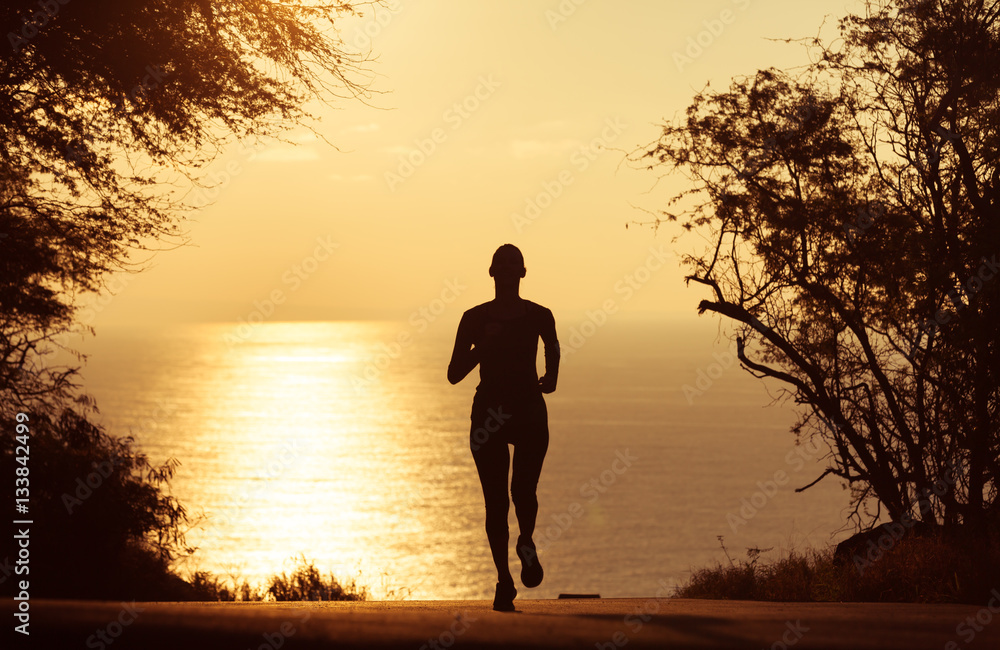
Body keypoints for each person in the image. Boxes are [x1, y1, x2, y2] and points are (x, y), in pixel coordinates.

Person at [448, 244, 560, 612]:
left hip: (527, 410)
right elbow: (453, 374)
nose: (510, 270)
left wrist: (552, 377)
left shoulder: (540, 315)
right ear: (493, 272)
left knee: (523, 493)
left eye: (515, 265)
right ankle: (504, 581)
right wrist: (483, 346)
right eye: (503, 264)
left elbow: (553, 345)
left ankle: (525, 539)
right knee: (496, 502)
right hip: (489, 416)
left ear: (523, 273)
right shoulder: (474, 318)